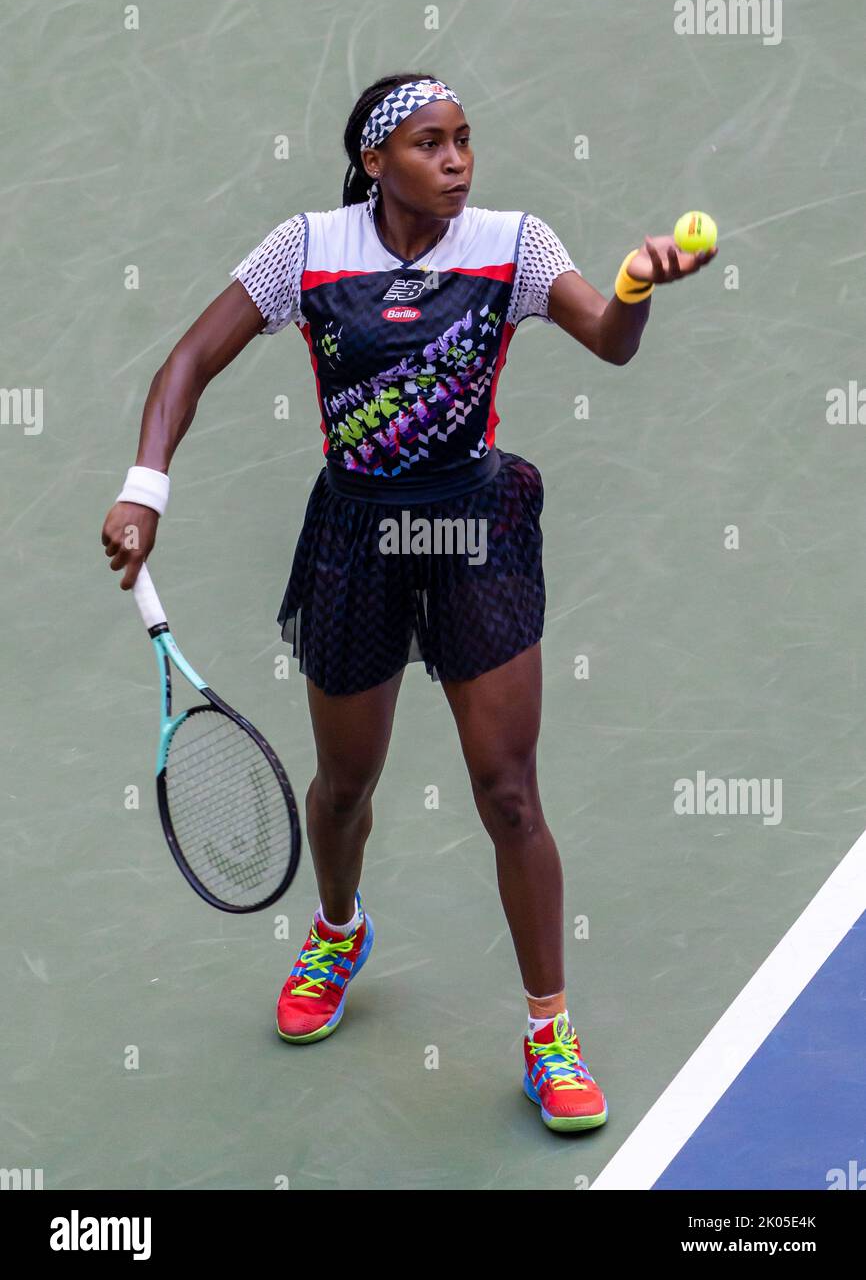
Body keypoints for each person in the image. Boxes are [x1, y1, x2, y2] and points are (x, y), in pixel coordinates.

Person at [101, 73, 716, 1133]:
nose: (456, 160)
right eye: (429, 144)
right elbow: (187, 361)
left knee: (507, 791)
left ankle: (547, 1030)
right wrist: (142, 486)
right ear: (375, 161)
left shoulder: (513, 243)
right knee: (343, 786)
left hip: (472, 531)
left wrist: (637, 284)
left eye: (464, 140)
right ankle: (338, 929)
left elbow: (608, 342)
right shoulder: (305, 248)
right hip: (356, 539)